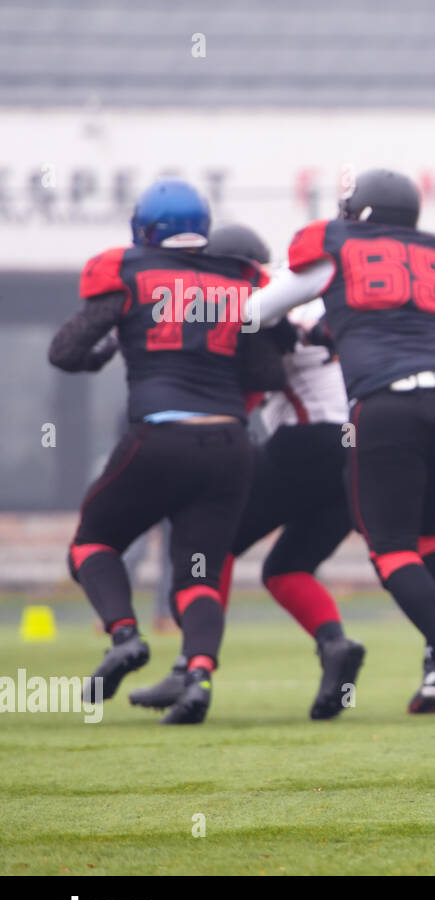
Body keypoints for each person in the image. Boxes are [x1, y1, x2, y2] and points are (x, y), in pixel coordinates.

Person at [244, 169, 435, 722]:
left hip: (388, 402)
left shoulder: (335, 246)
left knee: (391, 546)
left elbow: (255, 312)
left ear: (358, 212)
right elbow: (403, 304)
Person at [49, 179, 282, 724]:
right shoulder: (241, 279)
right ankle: (198, 674)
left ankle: (124, 636)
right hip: (229, 442)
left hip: (161, 437)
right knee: (197, 574)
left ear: (145, 227)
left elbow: (65, 351)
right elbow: (266, 372)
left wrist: (108, 349)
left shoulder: (129, 271)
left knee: (92, 545)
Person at [129, 224, 366, 721]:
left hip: (307, 441)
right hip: (355, 450)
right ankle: (335, 644)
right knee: (286, 569)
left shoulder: (254, 301)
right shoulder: (314, 294)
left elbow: (254, 387)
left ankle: (192, 666)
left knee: (208, 543)